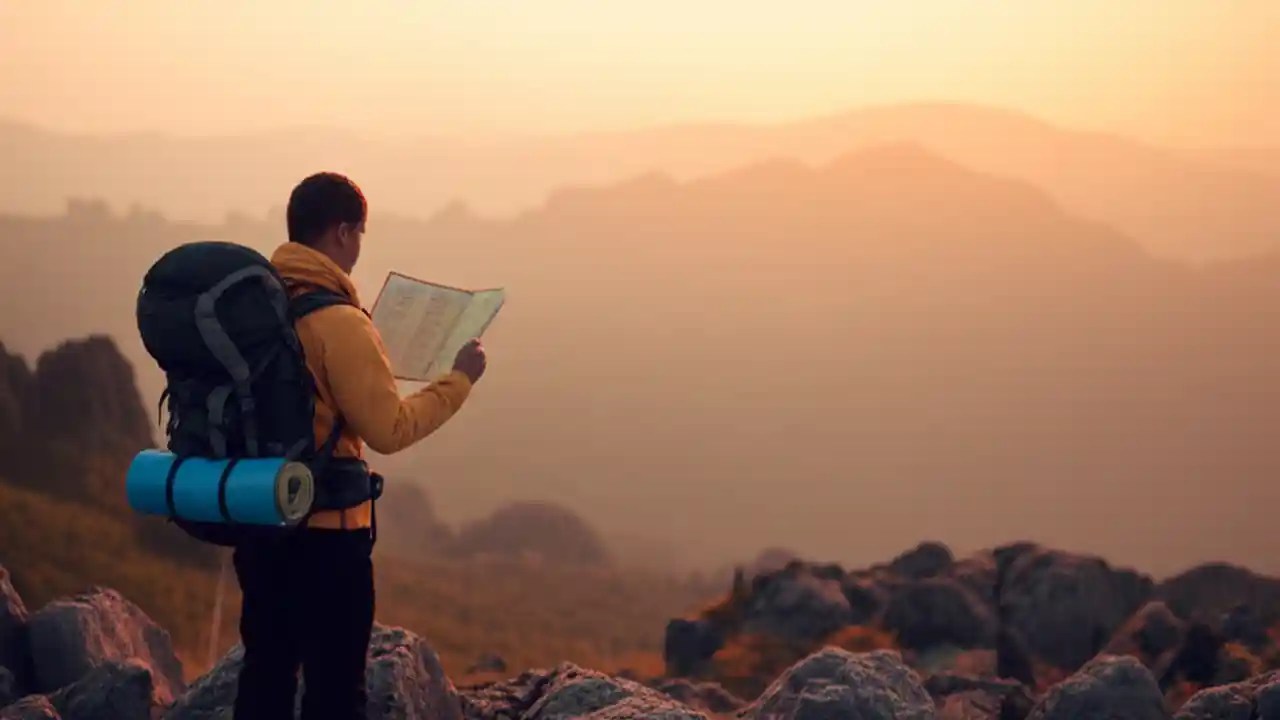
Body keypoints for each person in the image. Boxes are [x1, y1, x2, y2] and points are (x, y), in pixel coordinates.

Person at [231, 172, 488, 720]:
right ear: (344, 233)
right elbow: (388, 430)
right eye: (359, 234)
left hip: (261, 522)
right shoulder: (339, 322)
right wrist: (458, 381)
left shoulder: (257, 312)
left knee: (266, 677)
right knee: (334, 692)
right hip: (328, 539)